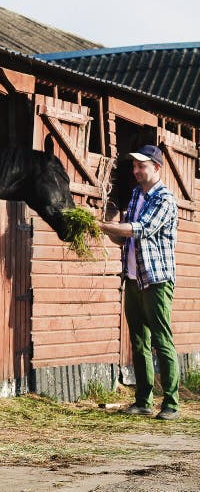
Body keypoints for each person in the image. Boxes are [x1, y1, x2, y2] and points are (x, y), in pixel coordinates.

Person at [99, 144, 179, 420]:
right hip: (133, 277)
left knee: (161, 339)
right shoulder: (135, 194)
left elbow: (141, 229)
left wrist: (105, 226)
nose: (135, 170)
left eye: (141, 166)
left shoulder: (165, 199)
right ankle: (143, 400)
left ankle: (171, 403)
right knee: (138, 340)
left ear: (157, 168)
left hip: (156, 279)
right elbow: (124, 236)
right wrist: (104, 228)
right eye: (134, 166)